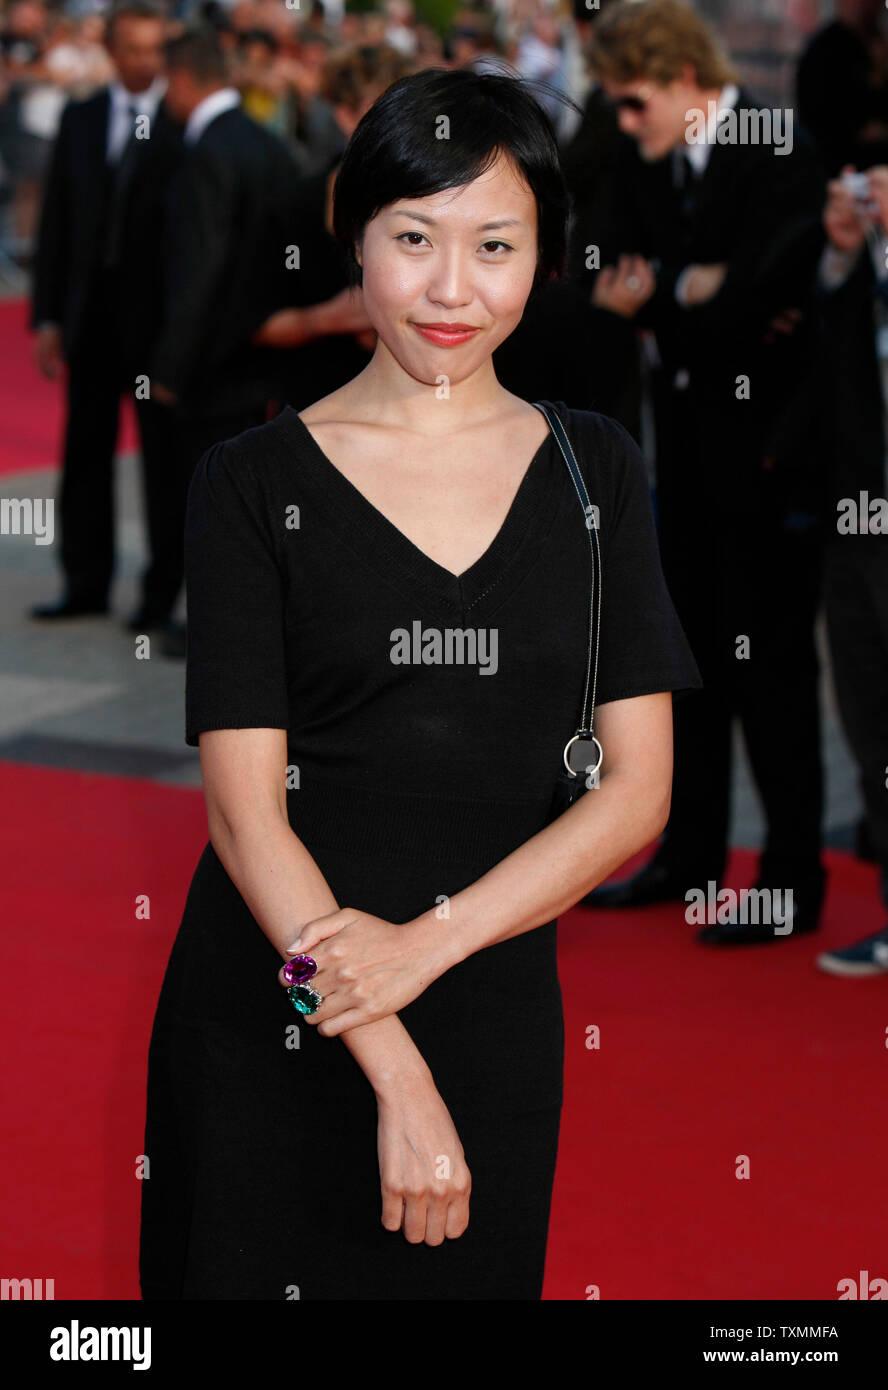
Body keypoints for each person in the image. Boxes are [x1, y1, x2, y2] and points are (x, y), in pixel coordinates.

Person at [139, 65, 700, 1300]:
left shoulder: (592, 469)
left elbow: (636, 792)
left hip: (490, 1000)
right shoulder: (246, 481)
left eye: (495, 244)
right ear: (356, 237)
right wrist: (389, 1054)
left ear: (542, 255)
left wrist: (429, 948)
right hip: (279, 997)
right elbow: (244, 818)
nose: (454, 289)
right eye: (414, 239)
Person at [582, 0, 828, 945]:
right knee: (689, 664)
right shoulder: (653, 160)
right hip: (681, 451)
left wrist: (681, 296)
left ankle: (790, 879)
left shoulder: (774, 142)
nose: (626, 123)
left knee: (770, 672)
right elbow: (620, 277)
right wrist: (698, 287)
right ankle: (691, 854)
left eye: (636, 104)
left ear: (685, 76)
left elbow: (776, 294)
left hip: (768, 463)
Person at [148, 27, 302, 655]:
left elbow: (199, 269)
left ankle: (214, 624)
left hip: (212, 364)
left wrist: (169, 364)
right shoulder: (266, 142)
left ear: (184, 80)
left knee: (210, 498)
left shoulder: (208, 149)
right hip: (261, 352)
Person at [29, 0, 182, 627]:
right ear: (112, 51)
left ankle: (159, 596)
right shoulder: (83, 116)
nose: (144, 61)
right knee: (84, 453)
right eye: (133, 49)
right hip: (90, 321)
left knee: (163, 463)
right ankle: (84, 584)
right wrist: (47, 317)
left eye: (155, 49)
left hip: (156, 329)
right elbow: (58, 220)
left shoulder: (182, 122)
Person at [812, 165, 888, 977]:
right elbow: (830, 360)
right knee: (868, 725)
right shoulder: (862, 263)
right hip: (859, 518)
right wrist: (843, 254)